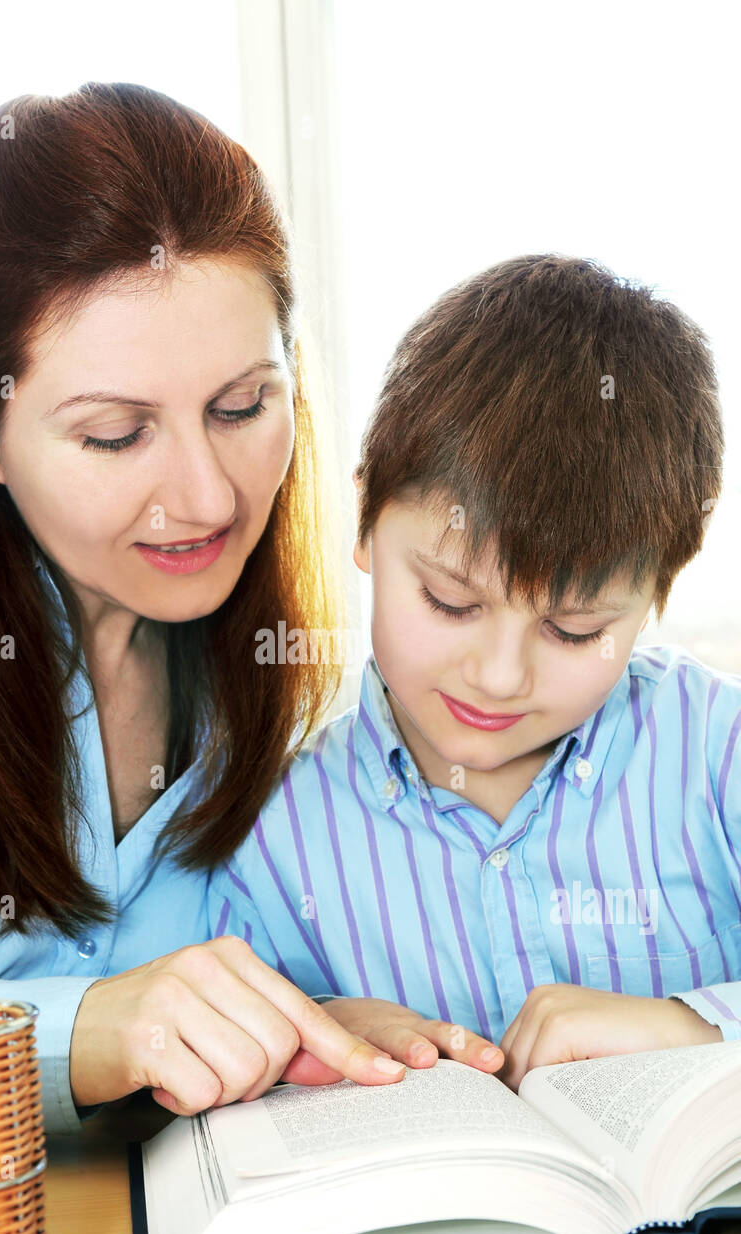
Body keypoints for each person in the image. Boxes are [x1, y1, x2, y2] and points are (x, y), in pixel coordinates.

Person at [0, 82, 500, 1134]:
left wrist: (294, 1023)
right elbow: (112, 1029)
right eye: (117, 433)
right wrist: (87, 1028)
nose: (209, 498)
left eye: (242, 407)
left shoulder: (283, 676)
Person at [202, 253, 741, 1093]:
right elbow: (229, 1044)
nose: (497, 677)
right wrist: (318, 1026)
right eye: (450, 601)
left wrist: (690, 1024)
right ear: (366, 522)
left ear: (657, 593)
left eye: (572, 630)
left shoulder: (714, 753)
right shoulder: (272, 834)